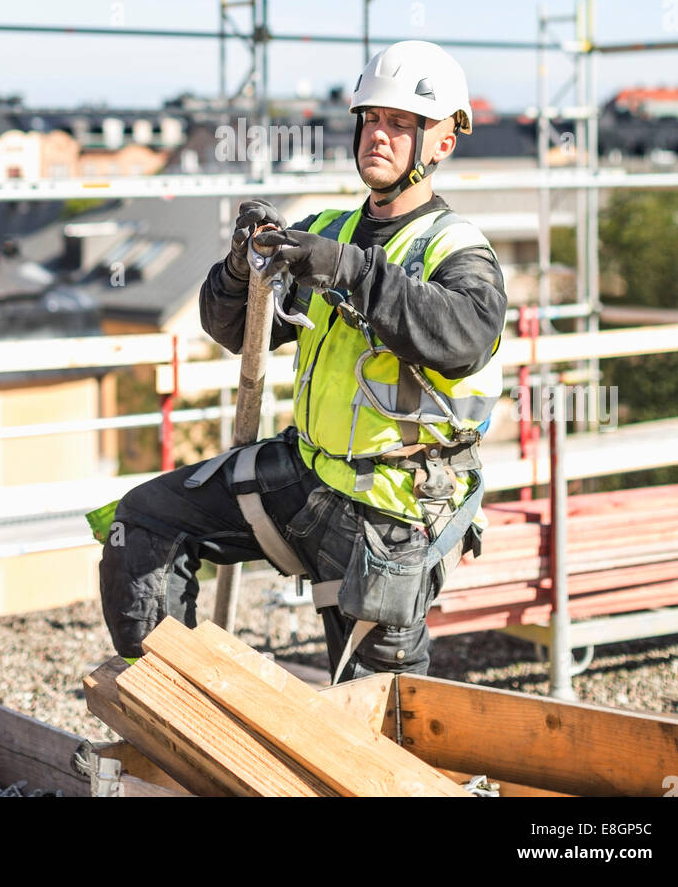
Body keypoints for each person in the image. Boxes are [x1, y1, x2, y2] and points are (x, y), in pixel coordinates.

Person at [99, 40, 507, 682]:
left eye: (402, 124)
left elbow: (461, 339)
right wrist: (243, 268)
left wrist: (346, 270)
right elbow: (231, 329)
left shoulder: (457, 251)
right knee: (146, 522)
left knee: (382, 716)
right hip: (311, 476)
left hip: (390, 510)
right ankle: (168, 702)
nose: (379, 134)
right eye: (371, 118)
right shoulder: (330, 230)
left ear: (440, 145)